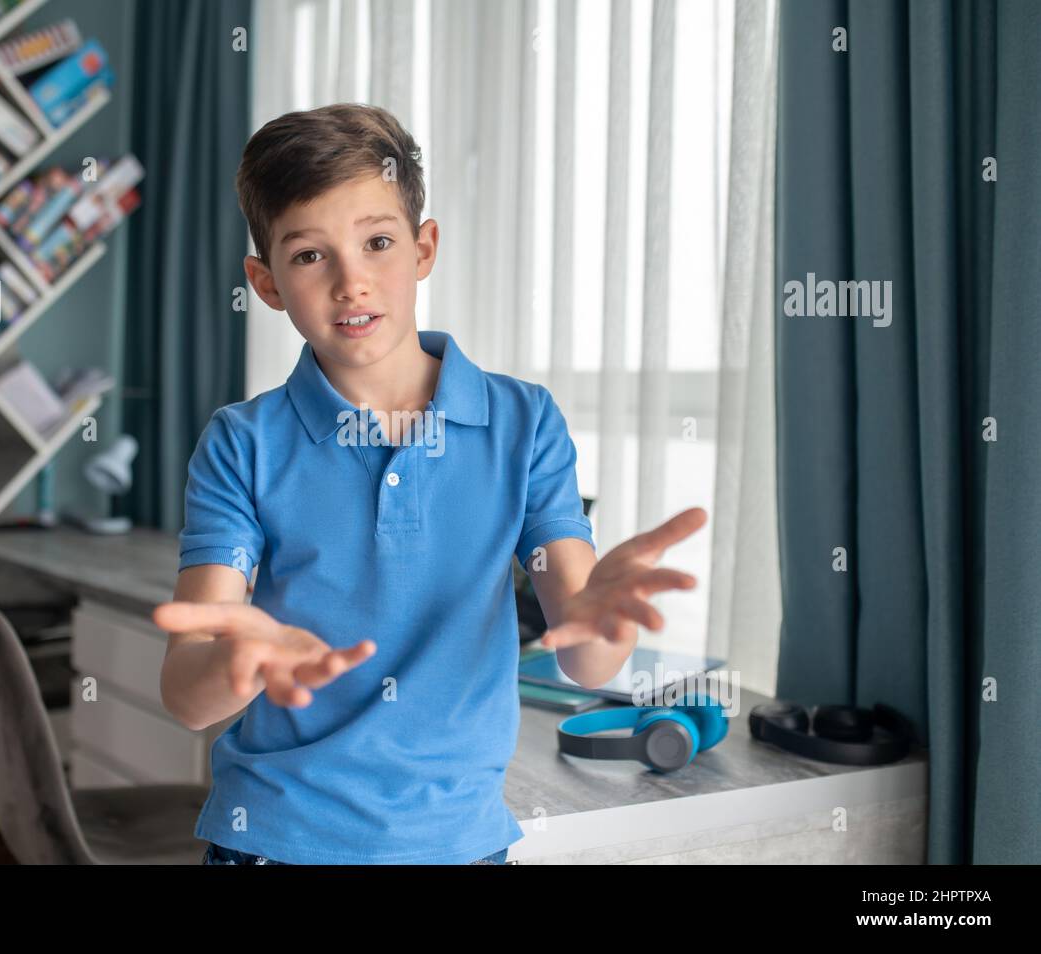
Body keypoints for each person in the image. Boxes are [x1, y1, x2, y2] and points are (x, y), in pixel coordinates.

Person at [154, 103, 707, 865]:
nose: (352, 282)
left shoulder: (523, 423)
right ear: (267, 281)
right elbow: (187, 695)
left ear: (423, 249)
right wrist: (238, 662)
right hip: (273, 842)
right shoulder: (242, 445)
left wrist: (605, 621)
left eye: (378, 243)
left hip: (459, 845)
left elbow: (585, 660)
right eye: (311, 255)